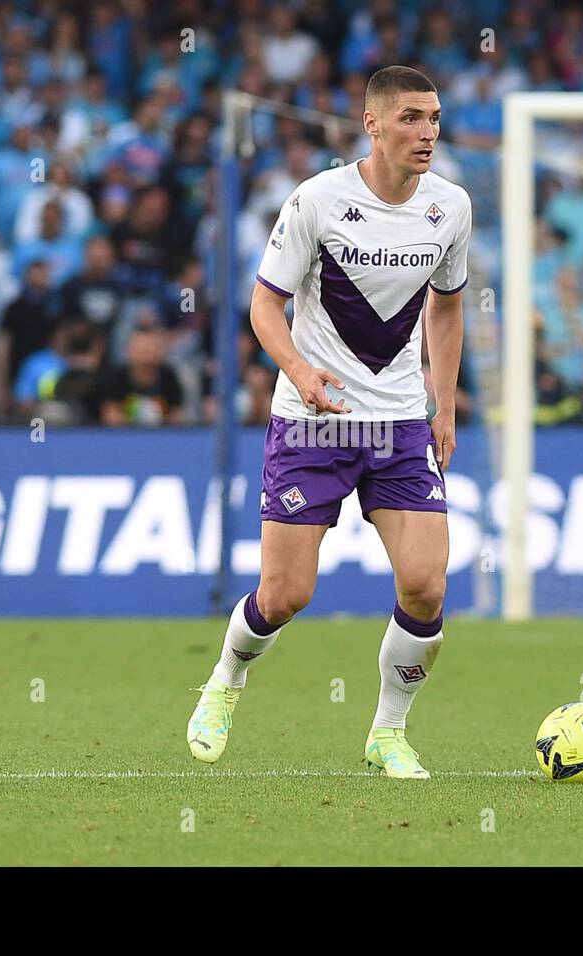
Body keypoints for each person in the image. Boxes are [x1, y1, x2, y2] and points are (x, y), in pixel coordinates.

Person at [185, 66, 471, 780]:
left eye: (433, 117)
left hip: (400, 421)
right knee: (286, 595)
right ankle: (224, 683)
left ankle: (389, 732)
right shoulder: (317, 200)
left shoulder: (452, 208)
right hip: (313, 421)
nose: (427, 132)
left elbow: (446, 305)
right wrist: (301, 373)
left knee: (426, 584)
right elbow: (262, 305)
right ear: (372, 124)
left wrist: (447, 396)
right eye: (410, 118)